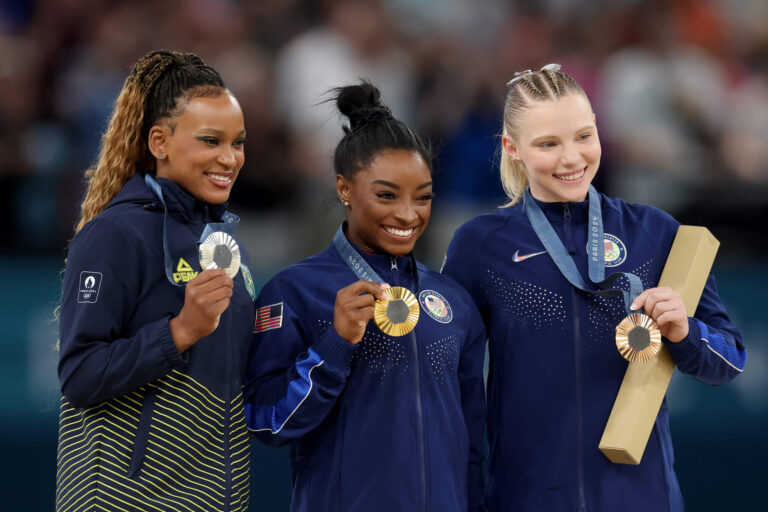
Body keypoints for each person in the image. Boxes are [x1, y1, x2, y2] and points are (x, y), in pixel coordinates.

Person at [442, 64, 747, 512]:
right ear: (513, 149)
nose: (572, 158)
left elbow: (731, 360)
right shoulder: (480, 246)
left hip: (643, 498)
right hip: (527, 499)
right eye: (548, 143)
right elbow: (455, 393)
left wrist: (686, 333)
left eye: (583, 136)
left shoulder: (655, 232)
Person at [244, 82, 486, 512]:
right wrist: (335, 345)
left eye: (423, 197)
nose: (409, 214)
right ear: (345, 189)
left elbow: (471, 439)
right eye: (386, 195)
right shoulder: (295, 291)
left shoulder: (454, 302)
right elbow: (266, 422)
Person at [56, 50, 254, 512]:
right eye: (211, 141)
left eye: (238, 142)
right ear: (159, 142)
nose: (229, 158)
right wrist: (180, 331)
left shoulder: (223, 244)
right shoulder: (115, 234)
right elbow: (80, 374)